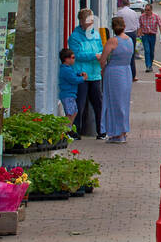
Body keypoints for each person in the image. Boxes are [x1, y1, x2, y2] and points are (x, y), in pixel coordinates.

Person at [68, 9, 105, 139]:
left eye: (91, 21)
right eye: (88, 21)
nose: (90, 24)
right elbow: (76, 55)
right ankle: (76, 131)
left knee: (98, 103)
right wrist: (94, 55)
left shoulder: (96, 35)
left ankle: (101, 131)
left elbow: (101, 48)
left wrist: (102, 56)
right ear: (82, 22)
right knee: (80, 104)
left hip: (95, 74)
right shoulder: (75, 37)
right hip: (81, 74)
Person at [101, 16, 134, 143]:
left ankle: (116, 133)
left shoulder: (112, 41)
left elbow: (103, 60)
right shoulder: (130, 40)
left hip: (114, 72)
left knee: (113, 103)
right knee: (124, 103)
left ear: (113, 27)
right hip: (126, 71)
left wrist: (102, 68)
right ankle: (123, 132)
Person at [57, 48, 84, 129]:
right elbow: (73, 80)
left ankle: (68, 128)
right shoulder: (66, 70)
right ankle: (65, 129)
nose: (74, 60)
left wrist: (79, 74)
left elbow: (74, 75)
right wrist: (83, 78)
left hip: (70, 94)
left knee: (74, 112)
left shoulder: (68, 69)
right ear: (66, 59)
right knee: (70, 113)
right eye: (72, 58)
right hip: (67, 94)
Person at [115, 0, 140, 82]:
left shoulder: (119, 12)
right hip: (132, 34)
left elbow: (116, 23)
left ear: (122, 4)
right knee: (131, 55)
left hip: (122, 33)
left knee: (121, 55)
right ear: (129, 4)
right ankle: (133, 75)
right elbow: (137, 25)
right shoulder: (133, 13)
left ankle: (123, 75)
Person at [138, 2, 161, 72]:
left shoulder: (156, 16)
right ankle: (148, 66)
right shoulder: (141, 17)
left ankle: (151, 63)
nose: (147, 11)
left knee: (151, 51)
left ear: (151, 10)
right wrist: (139, 33)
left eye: (148, 10)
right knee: (147, 50)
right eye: (146, 10)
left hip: (152, 35)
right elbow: (140, 26)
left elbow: (160, 25)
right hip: (145, 35)